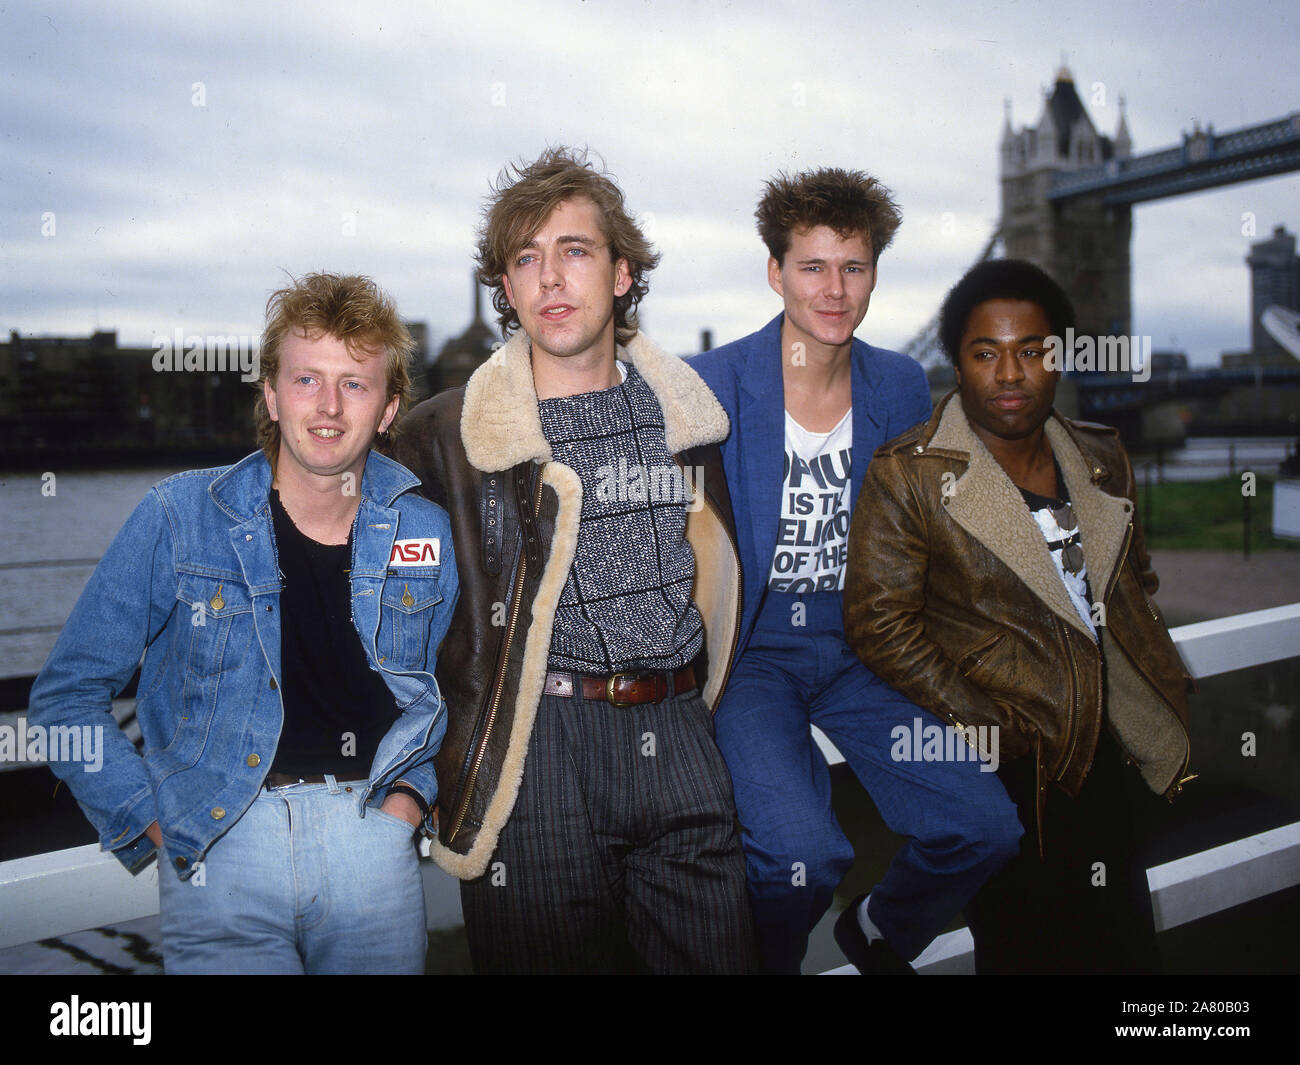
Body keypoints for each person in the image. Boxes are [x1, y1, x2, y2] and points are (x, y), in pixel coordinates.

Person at [28, 273, 457, 974]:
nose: (327, 405)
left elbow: (455, 687)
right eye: (306, 378)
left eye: (354, 383)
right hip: (223, 846)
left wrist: (411, 798)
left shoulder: (425, 531)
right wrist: (150, 816)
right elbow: (65, 695)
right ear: (270, 393)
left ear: (388, 409)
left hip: (371, 846)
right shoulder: (179, 515)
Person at [393, 147, 757, 974]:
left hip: (678, 731)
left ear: (623, 274)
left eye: (575, 251)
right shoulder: (443, 436)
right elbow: (379, 605)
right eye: (527, 259)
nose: (550, 278)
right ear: (509, 290)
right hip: (534, 749)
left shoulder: (687, 416)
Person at [689, 168, 1021, 974]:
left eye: (855, 267)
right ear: (776, 273)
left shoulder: (900, 383)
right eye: (813, 266)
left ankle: (875, 931)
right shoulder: (712, 387)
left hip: (864, 647)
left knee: (984, 824)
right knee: (802, 853)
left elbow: (926, 529)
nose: (835, 290)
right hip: (754, 654)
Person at [844, 258, 1195, 973]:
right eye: (985, 352)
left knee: (1127, 948)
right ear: (959, 365)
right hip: (1013, 769)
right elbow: (879, 621)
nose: (1010, 372)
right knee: (1027, 951)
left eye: (1031, 350)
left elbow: (1134, 583)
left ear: (1060, 355)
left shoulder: (1100, 455)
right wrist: (986, 722)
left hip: (1106, 750)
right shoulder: (909, 472)